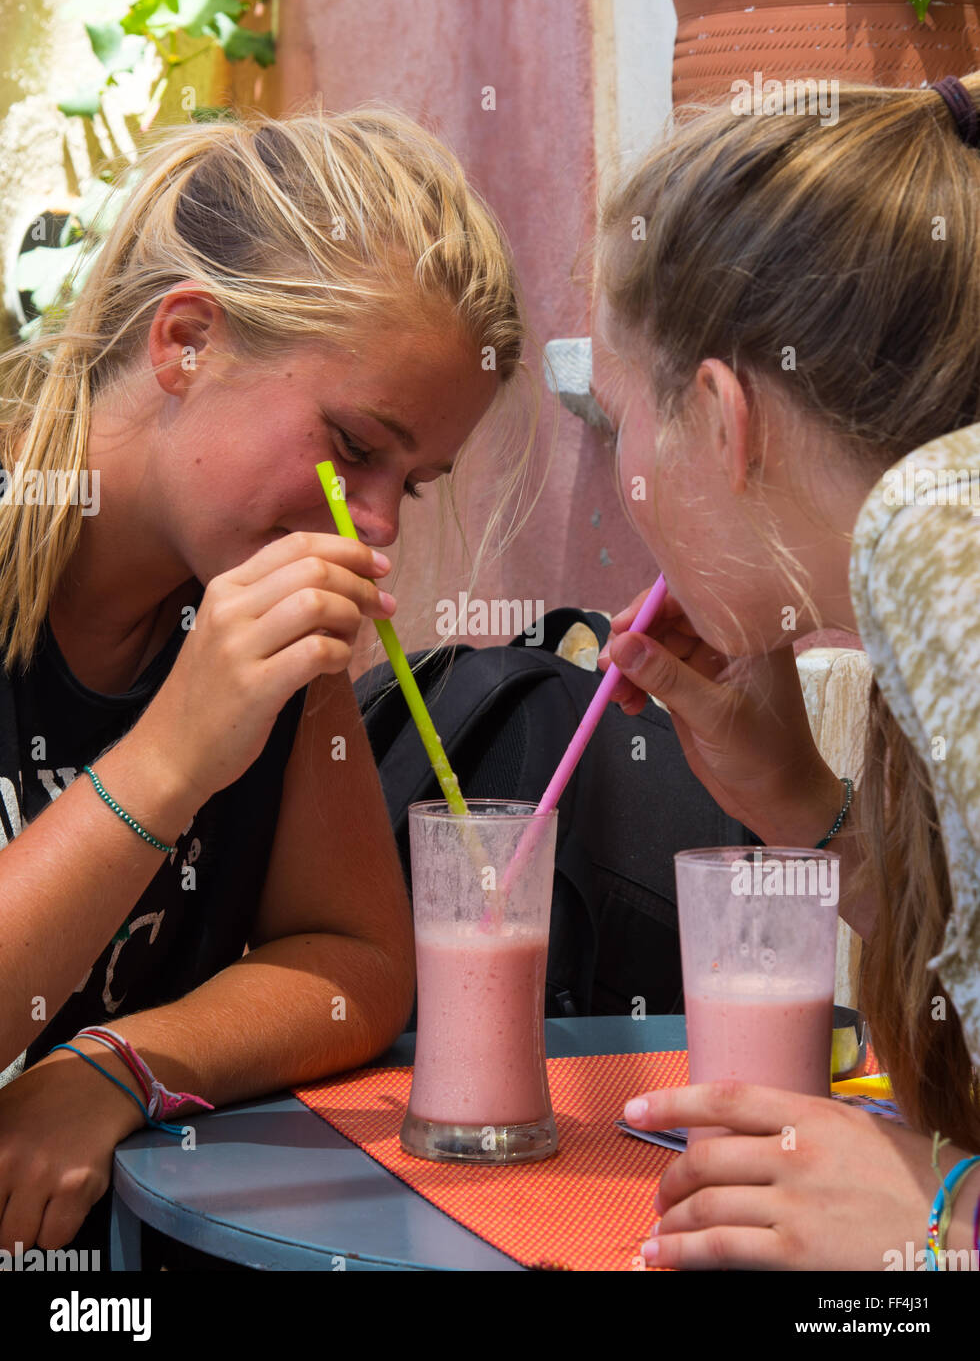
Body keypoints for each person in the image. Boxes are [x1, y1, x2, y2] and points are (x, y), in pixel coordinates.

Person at [0, 103, 527, 1258]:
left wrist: (121, 1062)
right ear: (185, 341)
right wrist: (172, 756)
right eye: (352, 445)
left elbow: (358, 964)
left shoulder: (255, 600)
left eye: (416, 482)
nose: (376, 526)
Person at [594, 72, 980, 1270]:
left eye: (616, 424)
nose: (624, 481)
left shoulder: (933, 526)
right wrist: (807, 809)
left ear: (719, 416)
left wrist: (940, 1222)